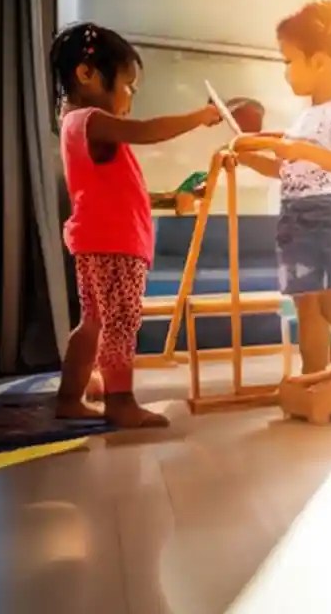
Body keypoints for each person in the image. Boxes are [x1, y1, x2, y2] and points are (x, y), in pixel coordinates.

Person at [51, 22, 223, 427]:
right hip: (114, 245)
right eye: (128, 85)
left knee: (93, 321)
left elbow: (120, 194)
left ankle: (69, 398)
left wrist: (168, 198)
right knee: (121, 321)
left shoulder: (75, 125)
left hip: (96, 238)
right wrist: (199, 116)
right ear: (87, 74)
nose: (130, 96)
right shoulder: (92, 120)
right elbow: (146, 131)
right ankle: (120, 401)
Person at [232, 0, 331, 410]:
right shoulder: (307, 118)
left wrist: (300, 149)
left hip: (326, 213)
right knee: (306, 303)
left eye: (289, 61)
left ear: (319, 61)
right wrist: (249, 156)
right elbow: (290, 171)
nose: (285, 71)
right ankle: (314, 382)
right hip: (295, 216)